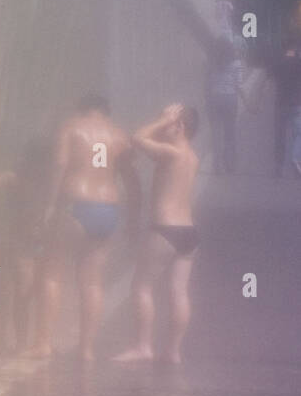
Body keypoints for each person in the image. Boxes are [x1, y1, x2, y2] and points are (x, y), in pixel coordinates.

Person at [32, 94, 141, 361]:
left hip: (74, 204)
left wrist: (48, 206)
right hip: (106, 211)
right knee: (92, 282)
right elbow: (132, 182)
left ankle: (44, 344)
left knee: (52, 273)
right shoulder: (119, 136)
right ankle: (87, 349)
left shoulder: (72, 127)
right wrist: (132, 219)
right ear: (105, 112)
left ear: (83, 109)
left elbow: (59, 166)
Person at [115, 103, 201, 364]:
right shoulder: (191, 157)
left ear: (180, 126)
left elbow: (137, 137)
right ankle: (173, 351)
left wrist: (162, 121)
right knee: (179, 291)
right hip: (188, 233)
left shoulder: (171, 152)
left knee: (141, 286)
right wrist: (165, 122)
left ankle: (143, 346)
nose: (162, 124)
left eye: (168, 122)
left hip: (164, 229)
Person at [0, 136, 53, 353]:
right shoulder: (52, 183)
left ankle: (23, 343)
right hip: (41, 241)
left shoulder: (15, 178)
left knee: (20, 295)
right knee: (30, 294)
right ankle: (30, 342)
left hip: (21, 241)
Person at [205, 35, 246, 175]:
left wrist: (207, 100)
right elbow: (239, 84)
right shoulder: (236, 63)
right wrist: (247, 101)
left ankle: (216, 164)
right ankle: (230, 164)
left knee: (216, 133)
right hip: (230, 99)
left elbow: (207, 82)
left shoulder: (211, 62)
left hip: (214, 98)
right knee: (230, 133)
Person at [271, 6, 301, 178]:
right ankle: (295, 157)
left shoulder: (278, 62)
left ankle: (278, 167)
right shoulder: (299, 62)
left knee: (280, 136)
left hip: (280, 103)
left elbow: (269, 80)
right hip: (297, 102)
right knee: (299, 133)